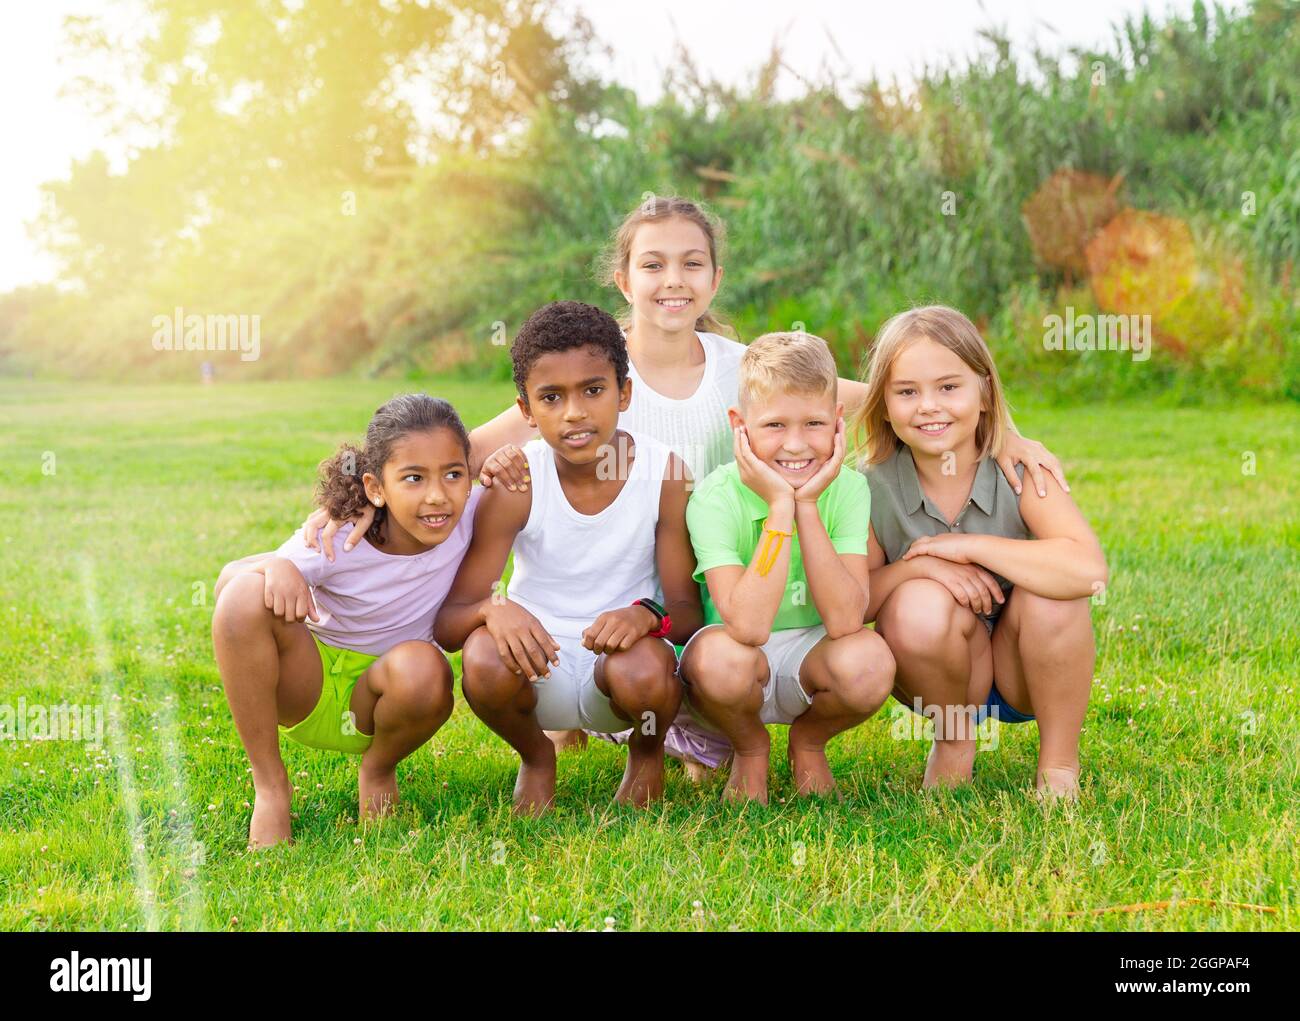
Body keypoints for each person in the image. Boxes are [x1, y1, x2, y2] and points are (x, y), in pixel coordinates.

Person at [433, 301, 703, 815]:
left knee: (645, 667)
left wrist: (645, 614)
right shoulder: (519, 482)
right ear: (527, 411)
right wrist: (493, 609)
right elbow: (450, 622)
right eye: (551, 398)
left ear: (624, 393)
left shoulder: (664, 473)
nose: (574, 413)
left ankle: (647, 757)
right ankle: (537, 757)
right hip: (540, 667)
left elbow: (687, 615)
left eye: (593, 390)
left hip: (622, 671)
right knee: (482, 657)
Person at [856, 306, 1106, 799]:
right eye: (907, 392)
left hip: (1025, 669)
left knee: (1055, 593)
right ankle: (953, 745)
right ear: (883, 405)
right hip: (939, 670)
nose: (929, 406)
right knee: (914, 604)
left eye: (949, 387)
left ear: (984, 392)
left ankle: (1058, 766)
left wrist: (969, 547)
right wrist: (919, 567)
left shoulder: (1019, 470)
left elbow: (1089, 569)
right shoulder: (868, 488)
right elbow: (853, 602)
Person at [212, 394, 477, 846]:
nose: (437, 496)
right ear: (376, 488)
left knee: (423, 665)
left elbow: (526, 426)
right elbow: (227, 588)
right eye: (412, 479)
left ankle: (377, 770)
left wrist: (510, 459)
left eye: (453, 475)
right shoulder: (341, 534)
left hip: (387, 699)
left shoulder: (469, 511)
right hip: (308, 686)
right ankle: (271, 788)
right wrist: (275, 565)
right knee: (244, 597)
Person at [678, 331, 896, 804]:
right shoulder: (714, 498)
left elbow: (844, 621)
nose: (796, 445)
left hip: (812, 653)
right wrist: (780, 508)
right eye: (774, 425)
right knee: (720, 662)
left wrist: (809, 505)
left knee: (870, 662)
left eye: (814, 423)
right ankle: (750, 746)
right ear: (740, 425)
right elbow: (749, 626)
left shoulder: (850, 489)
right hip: (735, 655)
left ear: (838, 423)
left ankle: (809, 741)